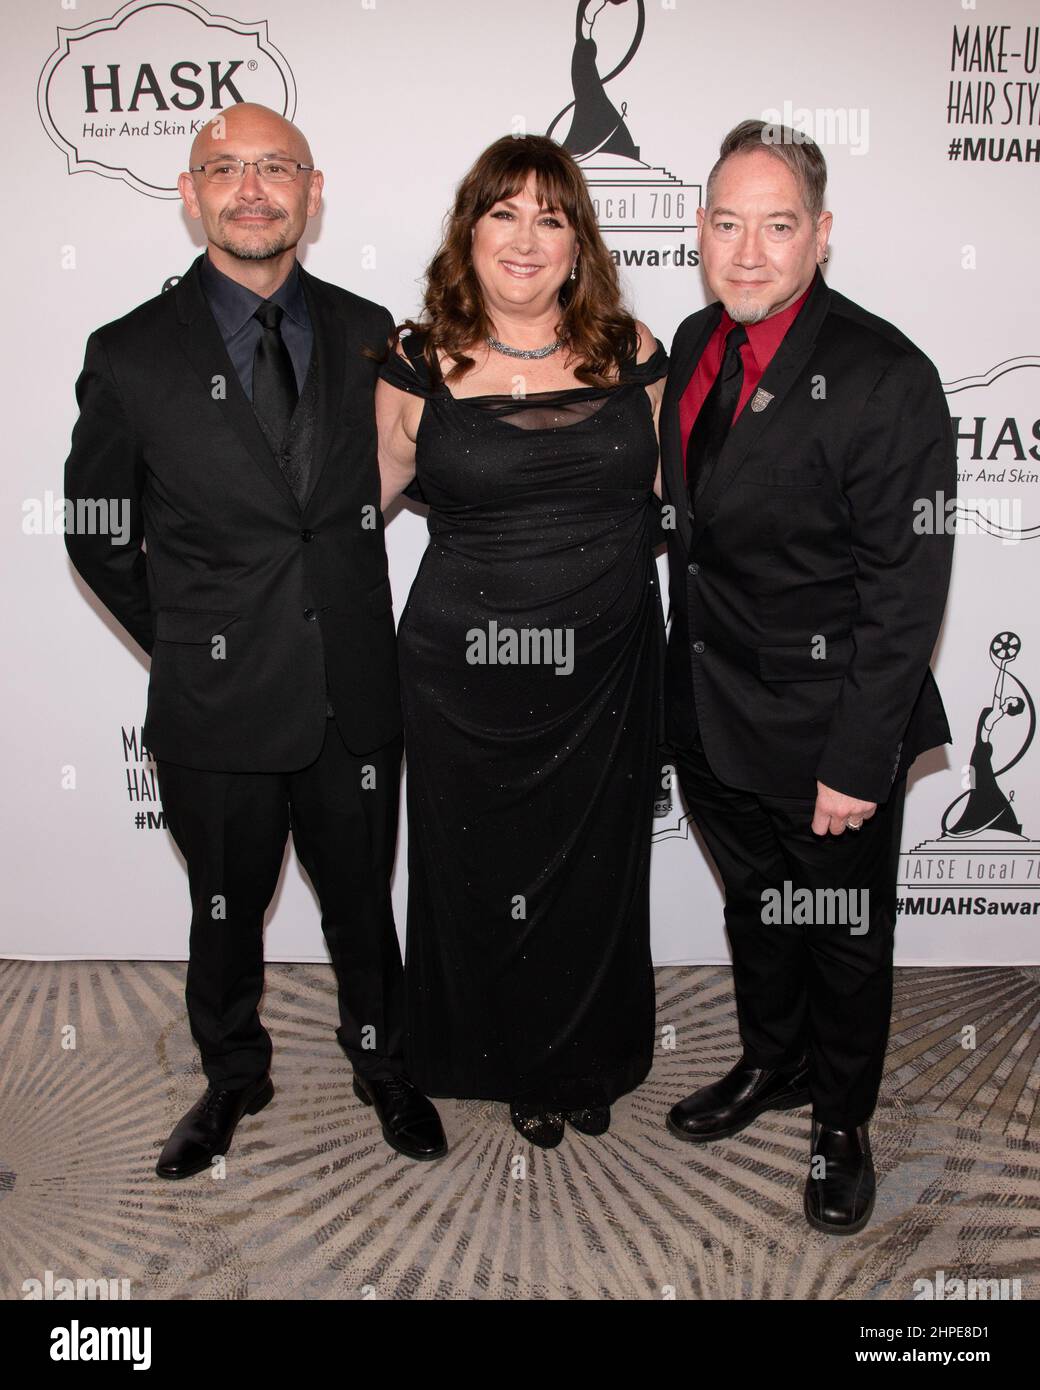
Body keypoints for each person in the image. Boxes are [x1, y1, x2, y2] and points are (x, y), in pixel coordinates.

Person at [64, 102, 446, 1177]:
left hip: (354, 697)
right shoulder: (132, 354)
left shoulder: (375, 331)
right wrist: (186, 643)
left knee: (364, 906)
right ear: (189, 196)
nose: (250, 188)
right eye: (223, 169)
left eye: (274, 167)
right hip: (217, 704)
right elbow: (98, 533)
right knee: (222, 912)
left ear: (311, 193)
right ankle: (233, 1074)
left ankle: (383, 1063)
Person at [660, 120, 955, 1233]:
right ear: (699, 231)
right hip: (708, 714)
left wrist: (855, 759)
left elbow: (903, 596)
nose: (745, 252)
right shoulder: (692, 342)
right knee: (758, 915)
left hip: (827, 730)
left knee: (838, 933)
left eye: (774, 226)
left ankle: (840, 1119)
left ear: (819, 234)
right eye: (726, 224)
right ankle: (770, 1065)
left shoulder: (884, 375)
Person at [376, 134, 667, 1148]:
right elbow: (349, 516)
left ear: (578, 242)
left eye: (551, 216)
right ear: (469, 232)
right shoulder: (415, 363)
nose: (526, 236)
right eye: (504, 211)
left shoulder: (633, 353)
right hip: (465, 676)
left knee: (594, 869)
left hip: (609, 670)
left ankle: (582, 1054)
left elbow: (696, 502)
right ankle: (505, 1062)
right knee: (477, 871)